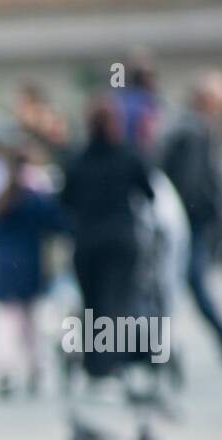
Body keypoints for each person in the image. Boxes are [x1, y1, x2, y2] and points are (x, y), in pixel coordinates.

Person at [162, 70, 222, 360]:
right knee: (187, 279)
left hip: (188, 219)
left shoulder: (188, 127)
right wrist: (209, 211)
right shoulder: (193, 131)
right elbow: (193, 183)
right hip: (189, 221)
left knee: (188, 280)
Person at [60, 96, 154, 381]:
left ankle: (94, 366)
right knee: (117, 303)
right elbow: (149, 192)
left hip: (88, 242)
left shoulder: (77, 159)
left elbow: (65, 201)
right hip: (122, 240)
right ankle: (112, 363)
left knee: (92, 302)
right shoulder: (129, 155)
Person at [0, 148, 63, 398]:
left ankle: (5, 370)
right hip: (29, 265)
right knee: (31, 323)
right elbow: (57, 223)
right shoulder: (34, 198)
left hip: (2, 267)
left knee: (5, 322)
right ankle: (35, 368)